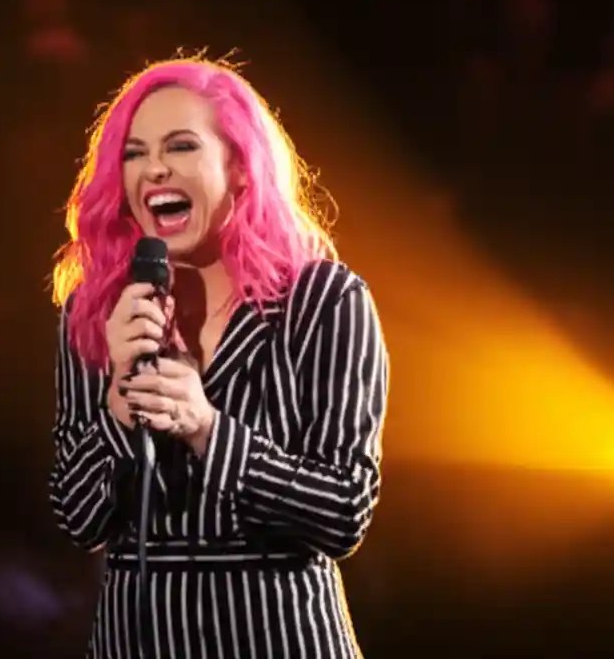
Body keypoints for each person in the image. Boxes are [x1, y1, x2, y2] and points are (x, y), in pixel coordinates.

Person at [48, 57, 390, 658]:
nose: (154, 168)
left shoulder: (323, 301)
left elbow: (342, 513)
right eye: (134, 153)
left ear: (240, 167)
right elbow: (79, 518)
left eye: (181, 146)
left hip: (277, 636)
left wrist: (207, 430)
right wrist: (121, 400)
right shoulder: (98, 307)